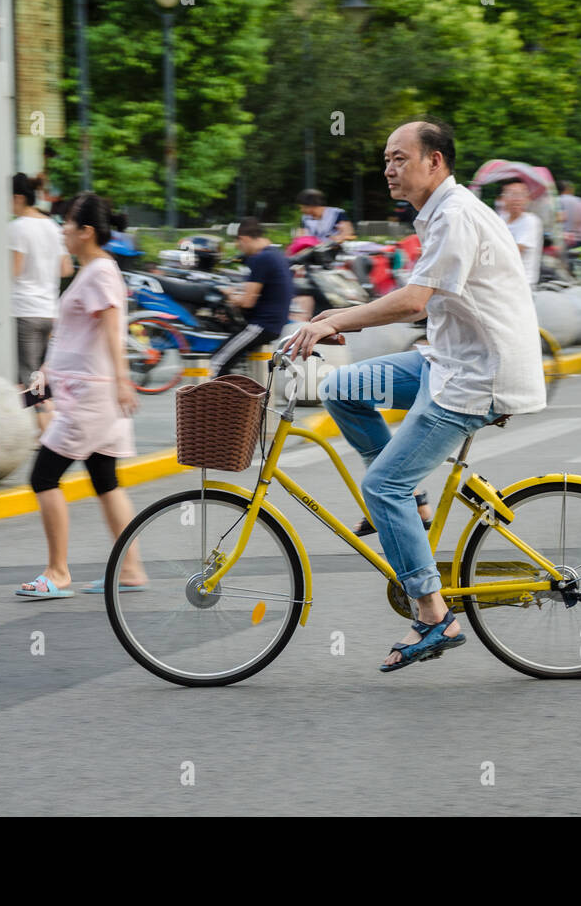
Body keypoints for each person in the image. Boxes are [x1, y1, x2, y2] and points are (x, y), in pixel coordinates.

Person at [281, 118, 546, 672]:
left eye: (400, 158)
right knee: (343, 388)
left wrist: (336, 323)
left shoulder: (454, 216)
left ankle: (434, 615)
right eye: (386, 159)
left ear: (436, 162)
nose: (389, 168)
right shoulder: (438, 214)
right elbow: (419, 298)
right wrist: (340, 316)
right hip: (445, 362)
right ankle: (416, 505)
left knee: (381, 486)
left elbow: (417, 301)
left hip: (477, 378)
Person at [17, 192, 147, 599]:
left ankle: (57, 573)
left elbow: (111, 328)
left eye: (68, 223)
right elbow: (79, 337)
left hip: (91, 397)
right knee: (105, 480)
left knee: (43, 476)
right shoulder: (92, 270)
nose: (62, 230)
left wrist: (124, 379)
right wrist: (46, 381)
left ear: (86, 232)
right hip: (88, 392)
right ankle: (130, 570)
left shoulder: (100, 272)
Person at [9, 172, 72, 435]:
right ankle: (34, 427)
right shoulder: (52, 226)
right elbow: (66, 268)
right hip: (49, 310)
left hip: (24, 310)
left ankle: (49, 429)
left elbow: (14, 270)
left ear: (18, 198)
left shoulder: (17, 227)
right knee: (32, 375)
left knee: (30, 377)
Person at [211, 217, 294, 378]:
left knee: (216, 363)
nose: (239, 248)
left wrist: (230, 295)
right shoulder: (277, 255)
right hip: (274, 323)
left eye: (238, 243)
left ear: (244, 239)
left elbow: (248, 302)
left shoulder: (261, 259)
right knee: (229, 362)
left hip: (261, 325)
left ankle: (220, 401)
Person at [499, 179, 543, 286]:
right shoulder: (501, 218)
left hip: (522, 283)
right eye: (511, 194)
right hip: (503, 280)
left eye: (521, 195)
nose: (516, 199)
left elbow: (515, 249)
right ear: (503, 199)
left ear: (527, 199)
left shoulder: (531, 221)